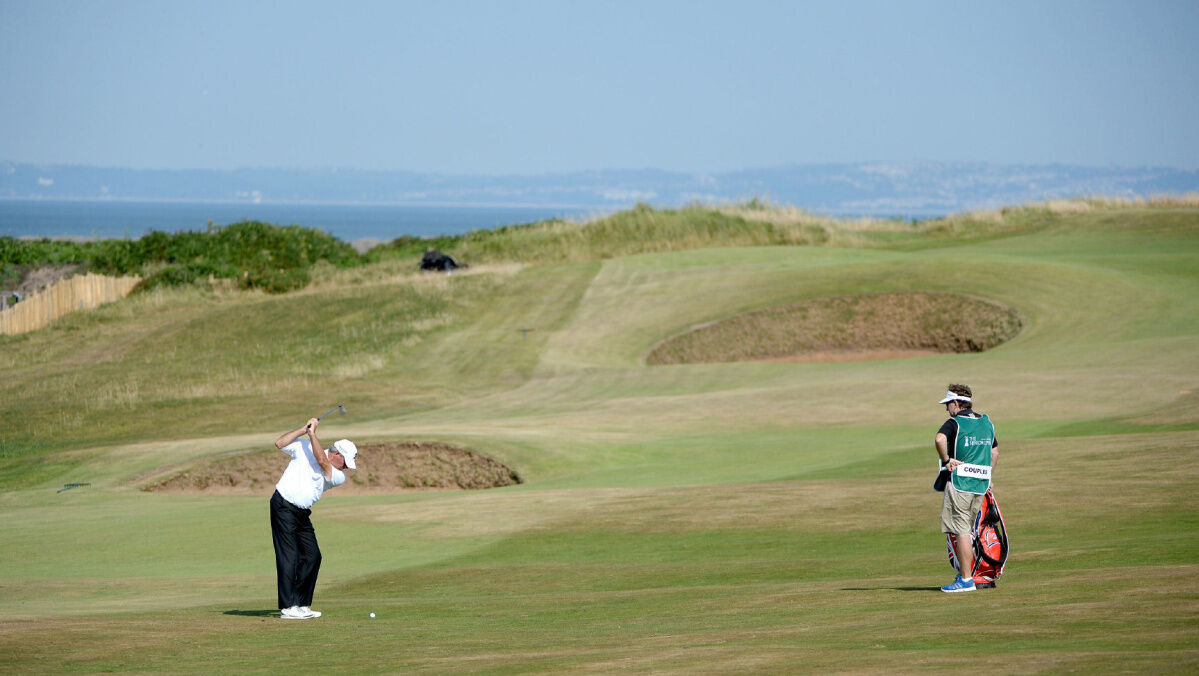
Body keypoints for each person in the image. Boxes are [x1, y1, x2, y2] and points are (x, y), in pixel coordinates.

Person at [270, 417, 358, 619]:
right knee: (289, 556)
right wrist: (303, 429)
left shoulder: (337, 475)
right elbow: (279, 443)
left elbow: (321, 461)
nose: (346, 468)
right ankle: (288, 607)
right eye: (345, 462)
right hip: (283, 505)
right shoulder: (303, 446)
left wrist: (312, 434)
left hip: (301, 512)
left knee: (312, 556)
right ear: (336, 453)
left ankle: (301, 603)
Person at [933, 384, 998, 593]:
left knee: (961, 530)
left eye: (948, 404)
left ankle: (966, 579)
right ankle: (968, 574)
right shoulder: (986, 422)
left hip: (961, 483)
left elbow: (939, 438)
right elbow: (994, 452)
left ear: (955, 403)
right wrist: (989, 475)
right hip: (980, 484)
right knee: (967, 530)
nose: (946, 409)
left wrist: (947, 460)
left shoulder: (954, 422)